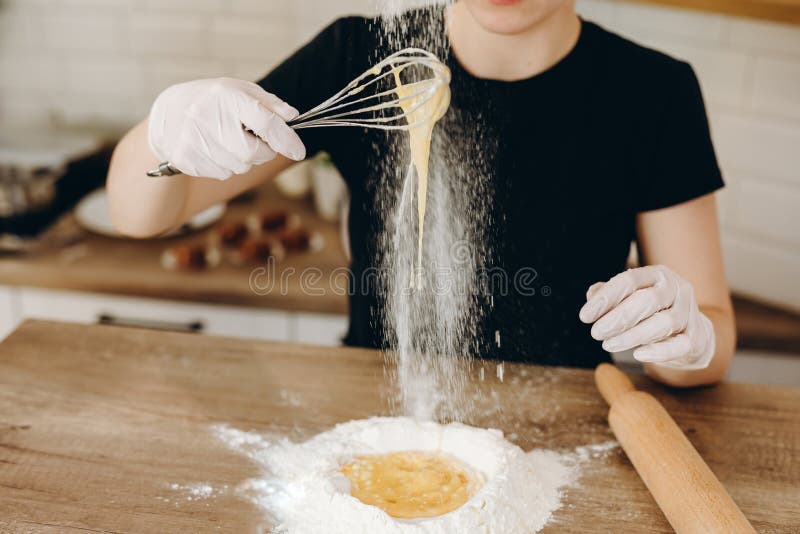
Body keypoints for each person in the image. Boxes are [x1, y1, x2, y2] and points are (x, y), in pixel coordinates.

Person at [107, 0, 735, 387]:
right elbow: (139, 215)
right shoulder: (363, 57)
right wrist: (160, 133)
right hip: (376, 413)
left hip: (569, 429)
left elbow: (712, 339)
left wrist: (687, 339)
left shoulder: (655, 93)